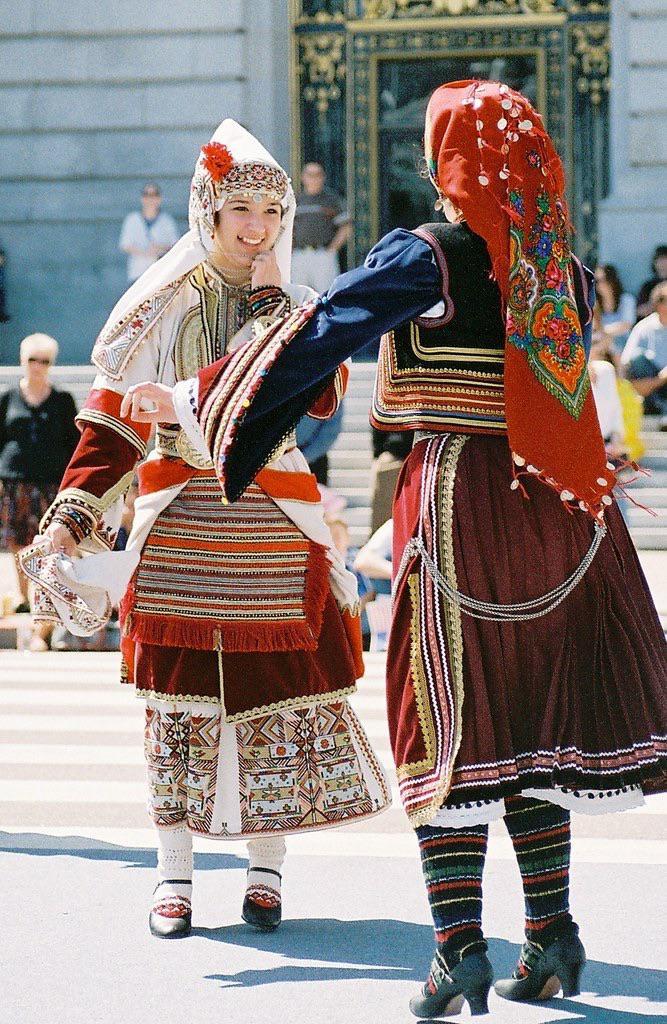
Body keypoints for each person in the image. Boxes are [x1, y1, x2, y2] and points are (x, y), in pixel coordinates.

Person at [128, 80, 666, 1015]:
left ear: (446, 160)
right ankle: (551, 935)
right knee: (532, 727)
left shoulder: (429, 256)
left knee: (445, 718)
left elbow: (324, 325)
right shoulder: (562, 268)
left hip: (463, 506)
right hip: (564, 518)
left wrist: (202, 404)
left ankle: (457, 944)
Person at [23, 121, 389, 940]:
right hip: (178, 520)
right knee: (174, 708)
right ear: (207, 213)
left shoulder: (295, 308)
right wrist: (70, 522)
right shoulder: (156, 306)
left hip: (271, 521)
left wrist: (270, 308)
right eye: (239, 209)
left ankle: (264, 873)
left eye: (270, 209)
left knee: (275, 703)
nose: (256, 226)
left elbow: (314, 400)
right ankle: (173, 877)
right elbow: (112, 426)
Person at [0, 334, 78, 649]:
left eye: (44, 361)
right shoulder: (8, 399)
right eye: (33, 360)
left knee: (45, 547)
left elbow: (74, 444)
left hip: (50, 484)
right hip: (14, 481)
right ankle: (26, 599)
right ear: (23, 361)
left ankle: (41, 620)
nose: (38, 367)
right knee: (19, 544)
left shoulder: (62, 401)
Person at [291, 162, 350, 293]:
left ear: (323, 177)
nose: (314, 178)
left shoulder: (332, 200)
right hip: (299, 255)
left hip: (323, 255)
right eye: (310, 175)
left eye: (317, 175)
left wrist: (332, 250)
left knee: (326, 295)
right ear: (303, 177)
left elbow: (346, 226)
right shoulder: (296, 200)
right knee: (298, 296)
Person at [621, 281, 667, 425]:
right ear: (659, 305)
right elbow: (626, 360)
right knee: (637, 358)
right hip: (651, 382)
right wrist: (655, 381)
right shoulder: (644, 327)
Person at [119, 182, 179, 283]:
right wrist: (144, 252)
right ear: (142, 198)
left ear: (159, 199)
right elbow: (125, 245)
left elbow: (176, 245)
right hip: (137, 273)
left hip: (161, 275)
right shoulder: (132, 219)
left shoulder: (167, 220)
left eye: (154, 195)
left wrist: (160, 247)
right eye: (147, 195)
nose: (150, 199)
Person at [295, 400, 344, 484]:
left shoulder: (329, 390)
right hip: (276, 457)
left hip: (313, 461)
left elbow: (331, 429)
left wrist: (307, 456)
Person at [593, 263, 636, 350]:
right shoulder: (595, 304)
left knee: (613, 341)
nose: (600, 284)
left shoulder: (627, 299)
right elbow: (594, 327)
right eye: (597, 281)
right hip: (602, 344)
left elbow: (627, 325)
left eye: (604, 279)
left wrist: (604, 331)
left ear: (612, 280)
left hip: (622, 343)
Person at [636, 244, 667, 320]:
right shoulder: (648, 286)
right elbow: (639, 311)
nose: (663, 263)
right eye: (660, 259)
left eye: (665, 259)